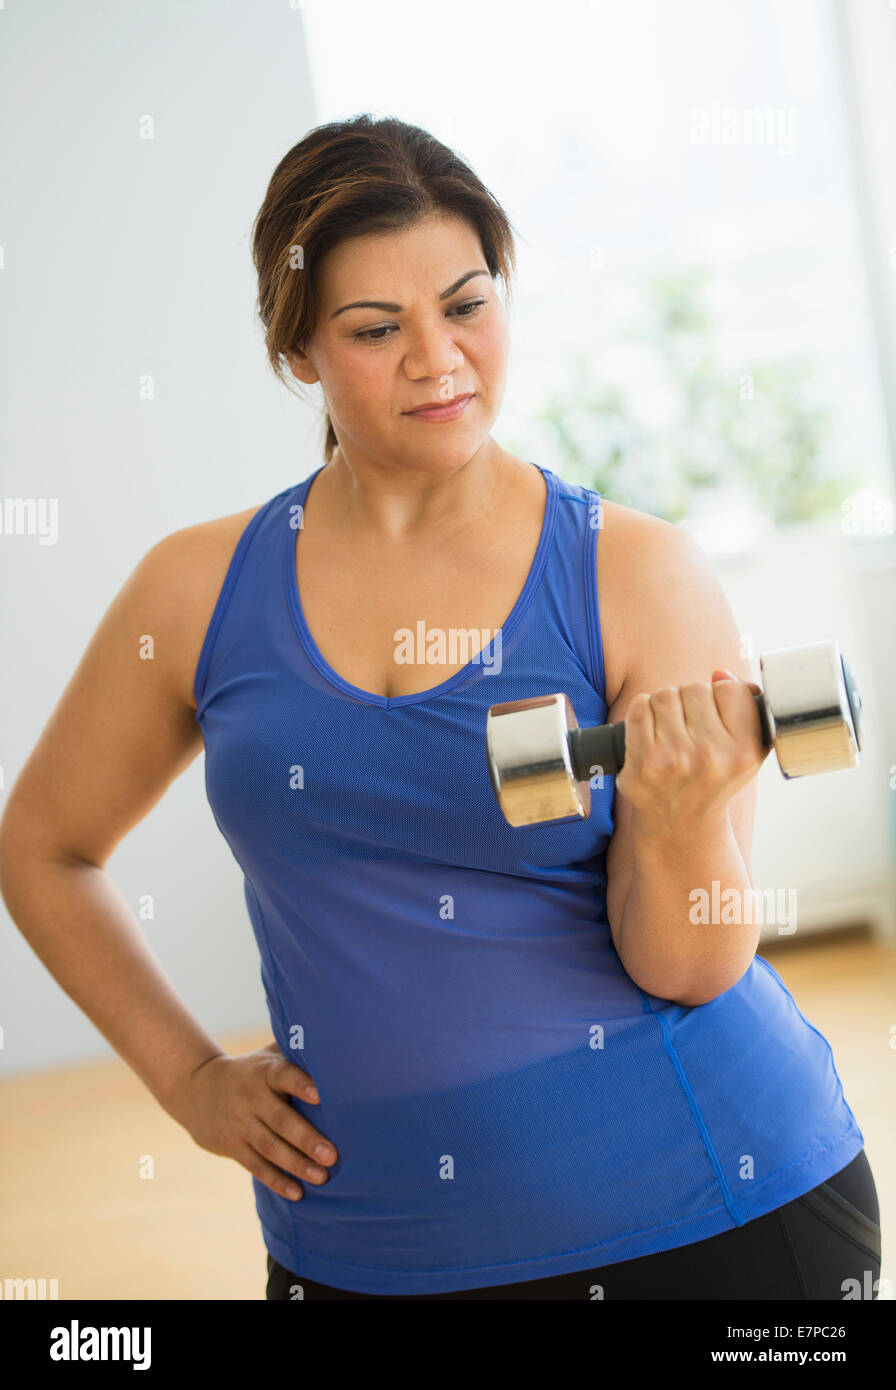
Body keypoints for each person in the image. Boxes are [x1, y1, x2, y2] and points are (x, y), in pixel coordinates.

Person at [0, 115, 881, 1302]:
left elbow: (688, 964)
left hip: (708, 1214)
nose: (437, 359)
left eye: (466, 306)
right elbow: (45, 847)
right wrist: (190, 1080)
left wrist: (678, 815)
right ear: (296, 347)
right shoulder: (196, 587)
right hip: (366, 1250)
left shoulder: (632, 571)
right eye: (376, 329)